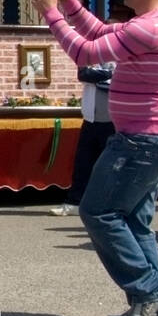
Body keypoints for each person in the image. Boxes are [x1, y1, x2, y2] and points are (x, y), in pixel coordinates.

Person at [34, 0, 158, 316]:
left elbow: (85, 53)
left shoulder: (149, 27)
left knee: (98, 212)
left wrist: (52, 12)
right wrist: (68, 1)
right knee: (133, 223)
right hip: (148, 139)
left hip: (140, 142)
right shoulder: (150, 23)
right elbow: (99, 32)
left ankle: (152, 292)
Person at [49, 59, 115, 216]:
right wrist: (108, 74)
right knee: (83, 163)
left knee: (109, 166)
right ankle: (74, 202)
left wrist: (102, 75)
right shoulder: (89, 53)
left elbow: (122, 76)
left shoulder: (120, 52)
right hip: (90, 119)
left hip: (113, 121)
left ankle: (109, 205)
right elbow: (84, 74)